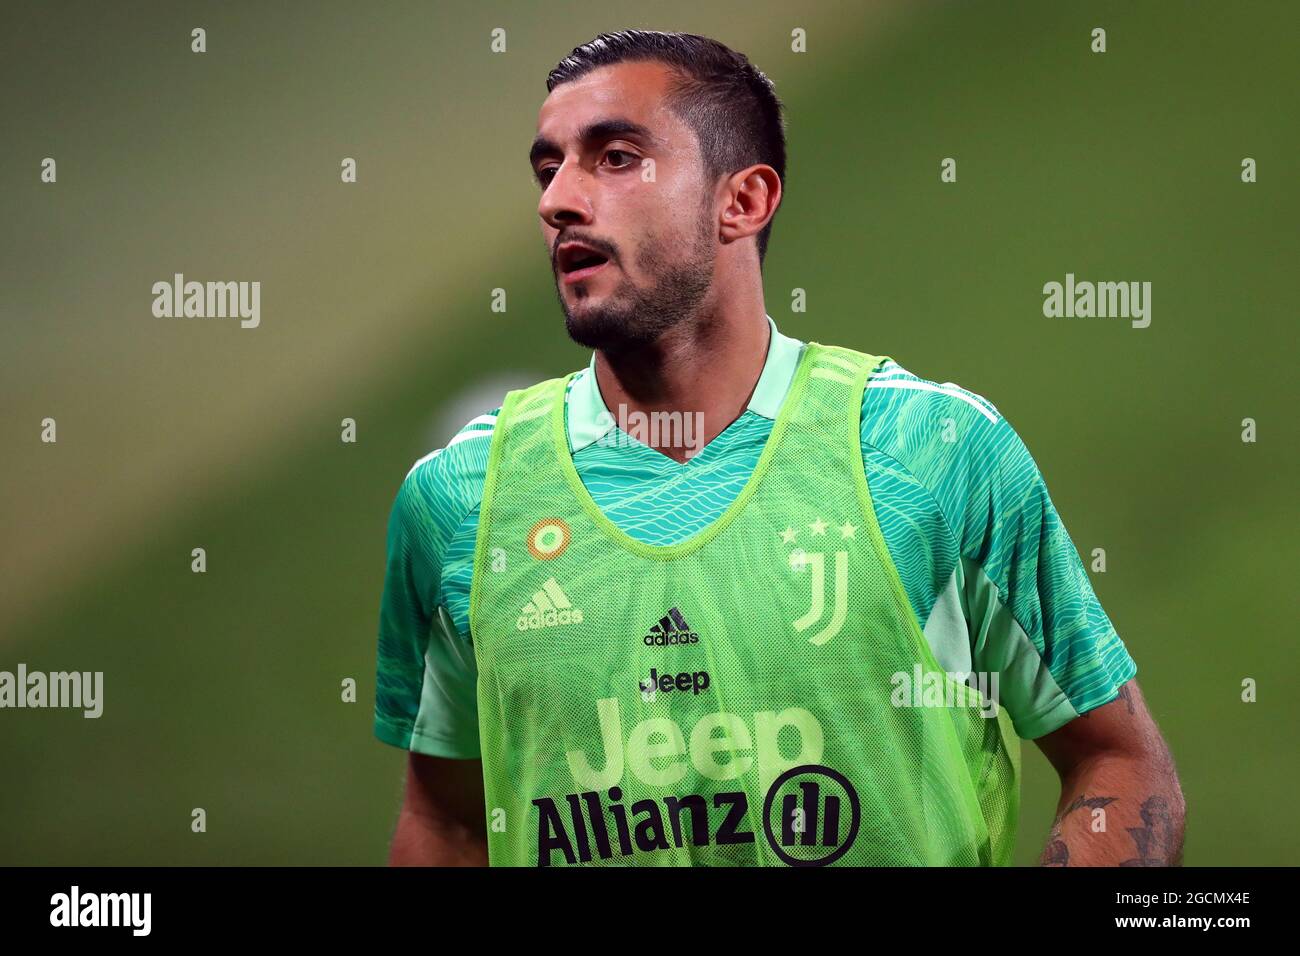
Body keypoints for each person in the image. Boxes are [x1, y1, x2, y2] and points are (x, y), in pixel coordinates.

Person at [374, 30, 1183, 867]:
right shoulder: (459, 499)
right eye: (549, 169)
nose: (558, 201)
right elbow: (448, 822)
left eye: (614, 158)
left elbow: (1115, 756)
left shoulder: (932, 452)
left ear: (744, 201)